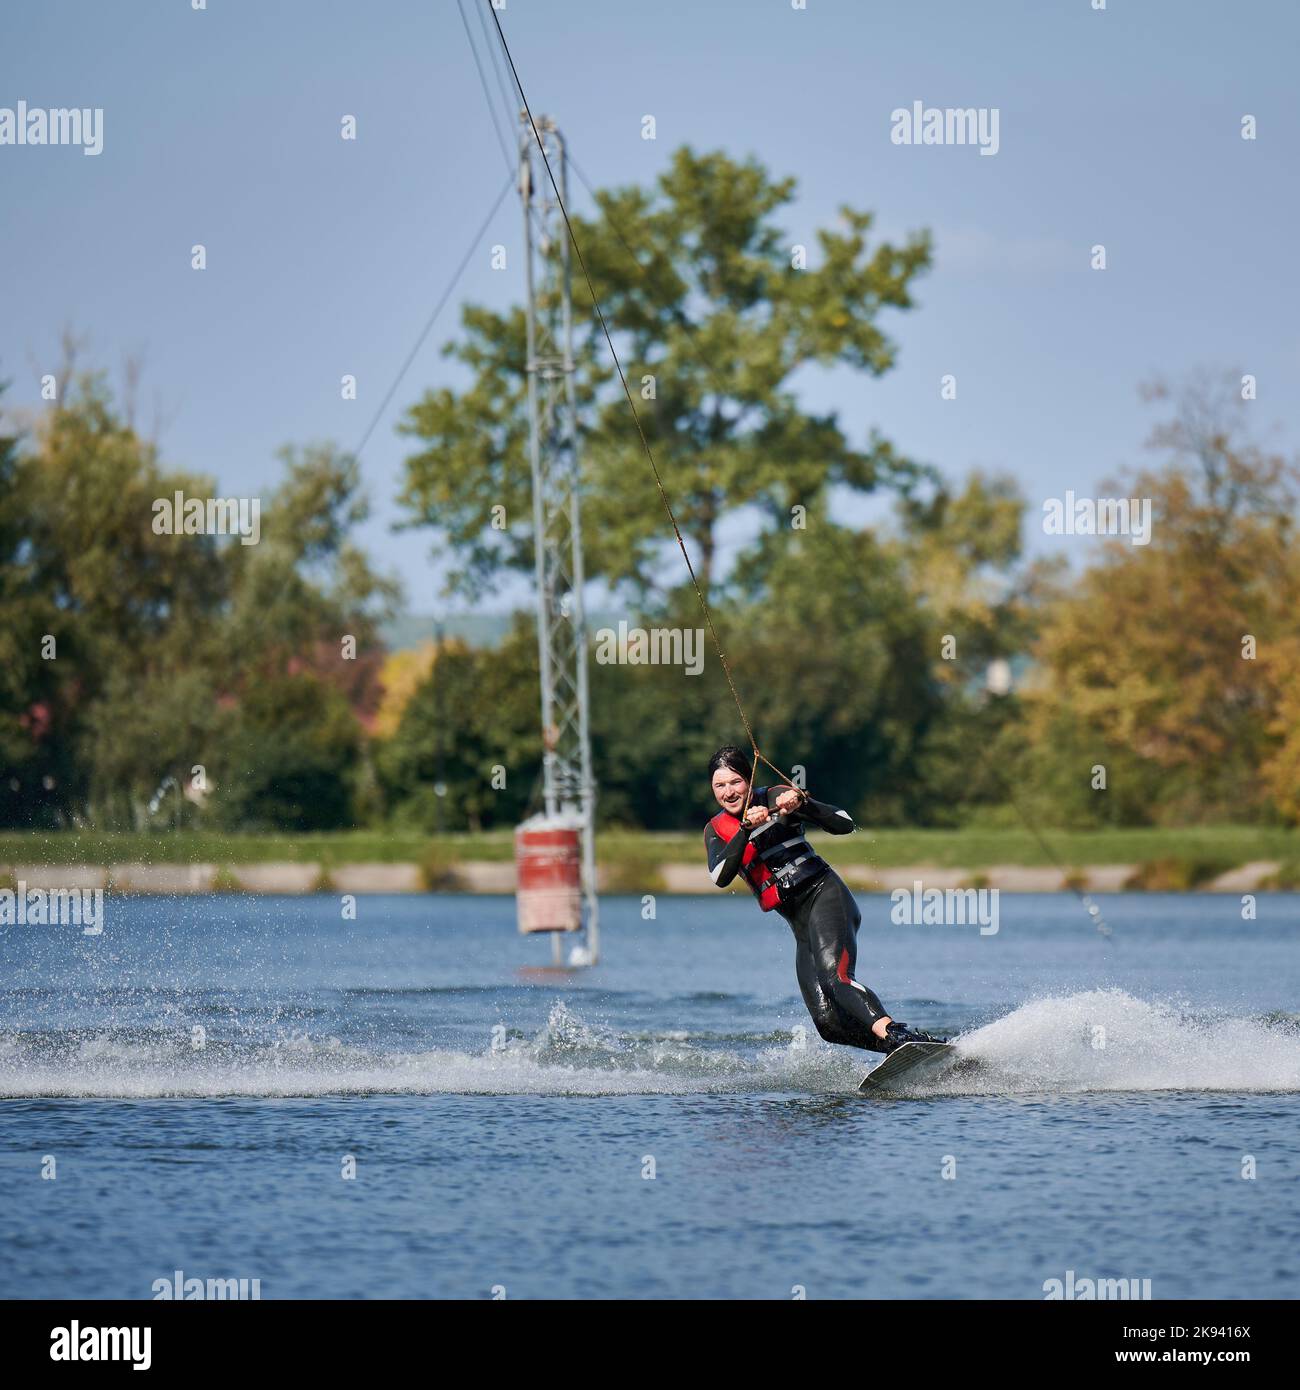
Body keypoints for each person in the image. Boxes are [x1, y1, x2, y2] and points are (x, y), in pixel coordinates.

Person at [703, 745, 944, 1056]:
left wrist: (804, 803)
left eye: (735, 782)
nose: (729, 792)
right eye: (719, 786)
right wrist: (746, 829)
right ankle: (902, 1048)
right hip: (799, 925)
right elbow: (720, 875)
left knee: (837, 979)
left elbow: (844, 822)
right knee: (828, 1023)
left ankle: (895, 1034)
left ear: (748, 779)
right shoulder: (715, 830)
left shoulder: (776, 796)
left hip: (825, 896)